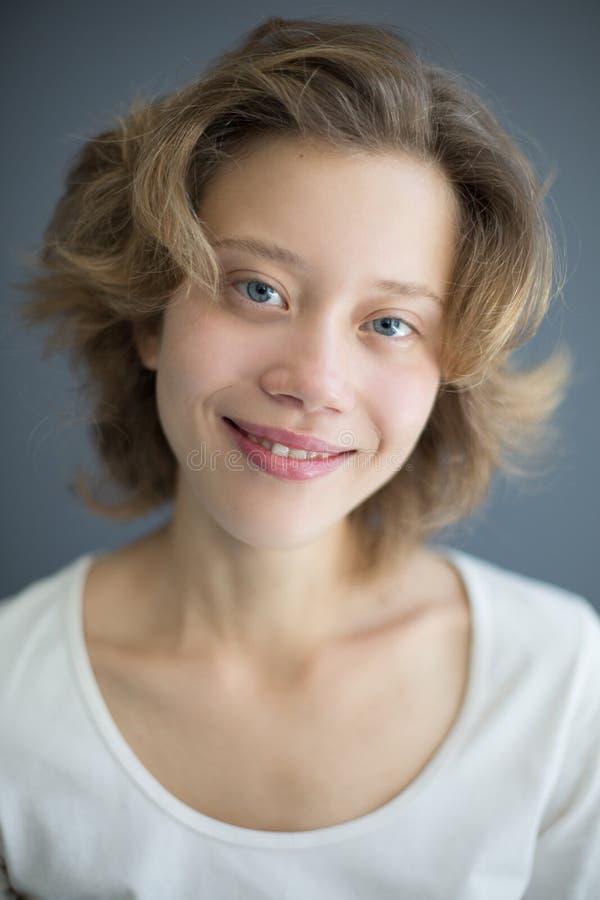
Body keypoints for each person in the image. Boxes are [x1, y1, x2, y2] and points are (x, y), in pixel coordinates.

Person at [1, 15, 598, 900]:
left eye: (390, 324)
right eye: (257, 289)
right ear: (146, 314)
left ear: (452, 373)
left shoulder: (560, 687)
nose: (314, 382)